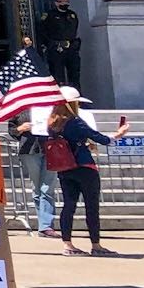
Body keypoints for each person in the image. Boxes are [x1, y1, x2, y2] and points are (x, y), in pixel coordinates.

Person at [48, 90, 125, 256]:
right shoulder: (75, 122)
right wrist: (118, 134)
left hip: (65, 168)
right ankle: (96, 244)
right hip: (84, 166)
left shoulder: (52, 124)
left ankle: (67, 244)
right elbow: (100, 138)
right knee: (91, 206)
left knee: (69, 205)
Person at [11, 102, 58, 237]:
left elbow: (62, 126)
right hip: (29, 150)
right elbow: (12, 130)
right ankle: (44, 223)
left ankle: (46, 226)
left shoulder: (52, 108)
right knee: (37, 187)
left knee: (47, 187)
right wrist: (20, 128)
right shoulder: (20, 109)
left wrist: (53, 123)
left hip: (51, 148)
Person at [37, 0, 82, 91]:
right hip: (57, 49)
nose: (65, 3)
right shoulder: (49, 16)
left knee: (74, 75)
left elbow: (74, 30)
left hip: (71, 49)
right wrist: (49, 45)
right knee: (58, 76)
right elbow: (42, 32)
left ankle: (77, 98)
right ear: (56, 3)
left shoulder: (72, 15)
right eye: (62, 1)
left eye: (66, 1)